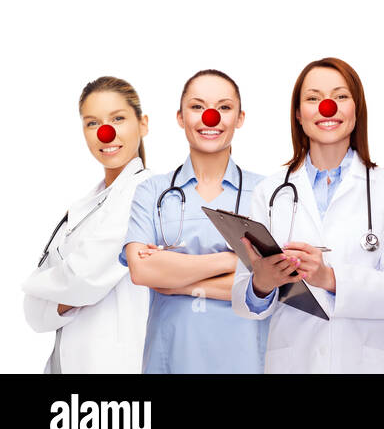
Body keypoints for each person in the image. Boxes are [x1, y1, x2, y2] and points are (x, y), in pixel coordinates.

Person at [230, 57, 384, 373]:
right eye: (313, 98)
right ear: (298, 114)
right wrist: (261, 284)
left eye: (340, 97)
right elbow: (243, 300)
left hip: (366, 362)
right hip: (294, 361)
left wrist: (330, 278)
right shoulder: (270, 191)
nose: (327, 108)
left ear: (356, 110)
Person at [120, 69, 267, 373]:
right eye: (197, 107)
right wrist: (234, 261)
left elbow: (270, 285)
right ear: (180, 117)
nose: (210, 117)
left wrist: (175, 278)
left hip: (243, 361)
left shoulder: (265, 193)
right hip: (171, 359)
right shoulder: (152, 190)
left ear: (240, 118)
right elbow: (141, 269)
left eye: (224, 107)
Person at [23, 76, 154, 373]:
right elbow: (32, 314)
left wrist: (34, 287)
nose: (105, 133)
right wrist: (55, 296)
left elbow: (82, 280)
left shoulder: (143, 194)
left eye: (118, 118)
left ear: (143, 124)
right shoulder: (85, 206)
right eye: (92, 123)